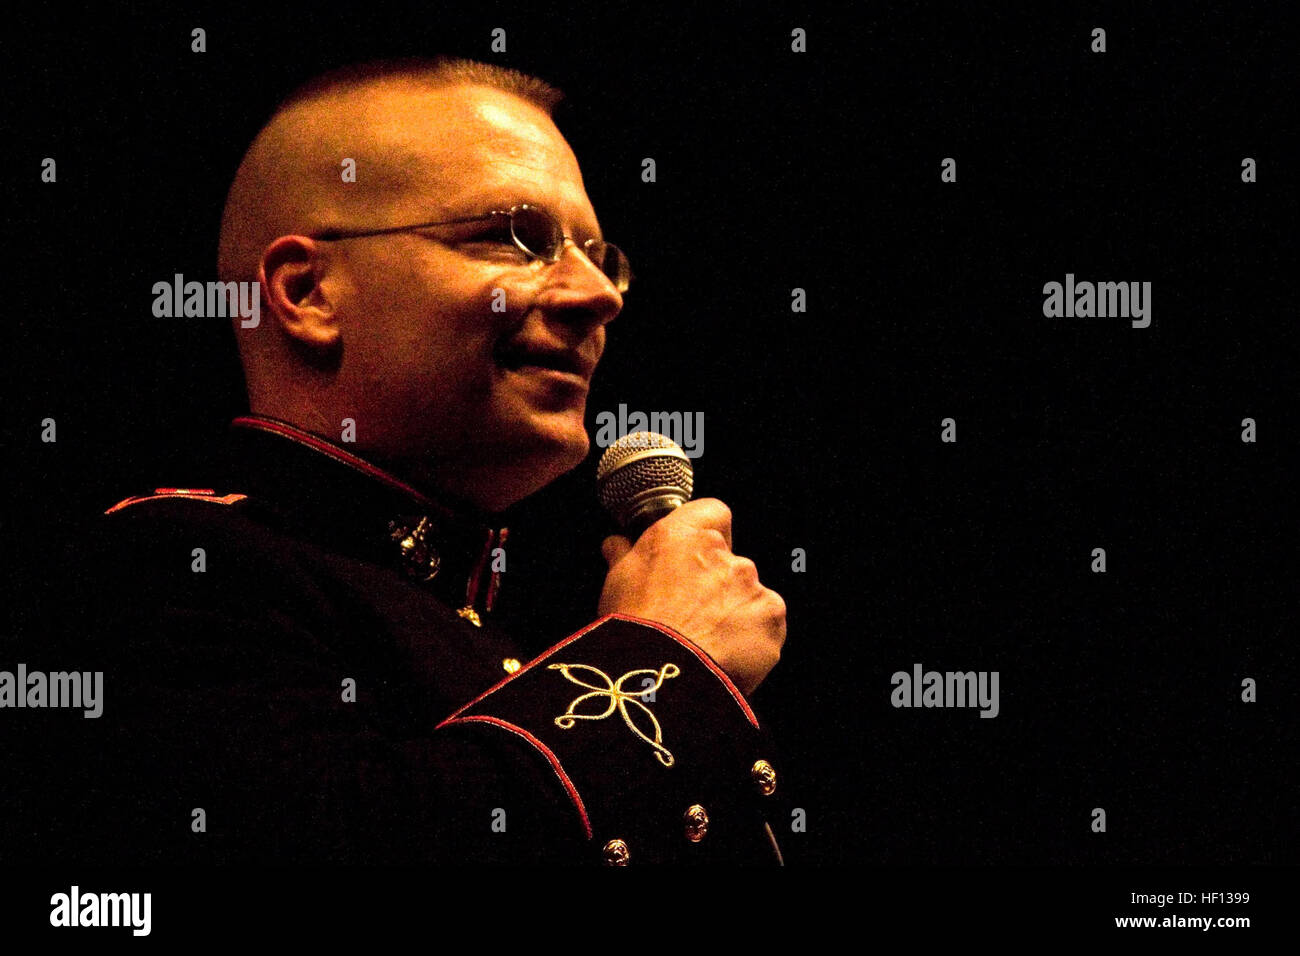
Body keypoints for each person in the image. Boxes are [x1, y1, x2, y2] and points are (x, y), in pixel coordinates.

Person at [61, 57, 789, 865]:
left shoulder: (498, 624)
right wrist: (659, 660)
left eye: (599, 254)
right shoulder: (170, 571)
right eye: (516, 238)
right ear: (307, 293)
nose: (599, 296)